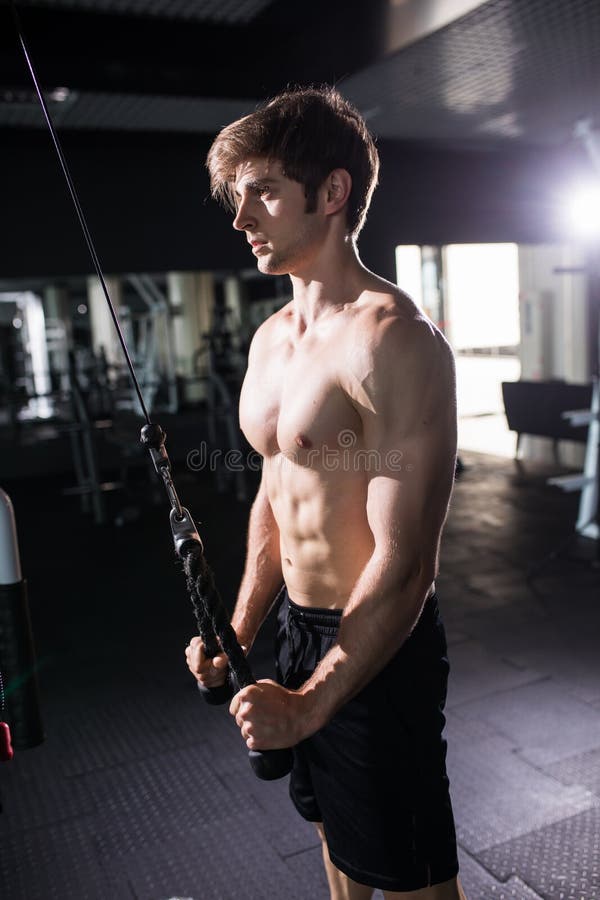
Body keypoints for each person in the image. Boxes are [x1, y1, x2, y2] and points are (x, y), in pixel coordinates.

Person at [186, 86, 465, 900]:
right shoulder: (273, 339)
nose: (243, 220)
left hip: (378, 645)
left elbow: (408, 567)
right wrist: (239, 632)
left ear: (333, 193)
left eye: (264, 192)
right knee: (337, 846)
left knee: (411, 874)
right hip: (295, 636)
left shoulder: (396, 342)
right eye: (238, 199)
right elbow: (276, 492)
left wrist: (310, 706)